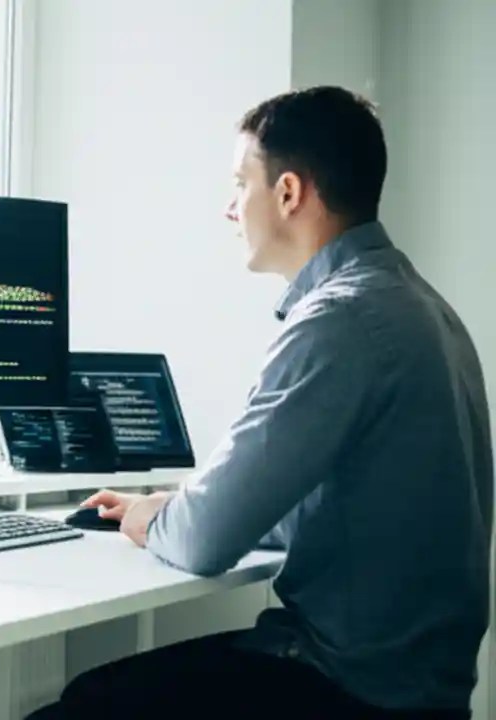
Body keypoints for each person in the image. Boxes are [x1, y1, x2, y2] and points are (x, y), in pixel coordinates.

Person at [29, 86, 492, 719]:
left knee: (79, 705)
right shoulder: (423, 307)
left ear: (289, 193)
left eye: (240, 182)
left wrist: (149, 521)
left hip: (348, 689)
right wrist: (173, 506)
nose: (230, 208)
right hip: (415, 687)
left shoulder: (339, 320)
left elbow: (206, 544)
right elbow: (341, 504)